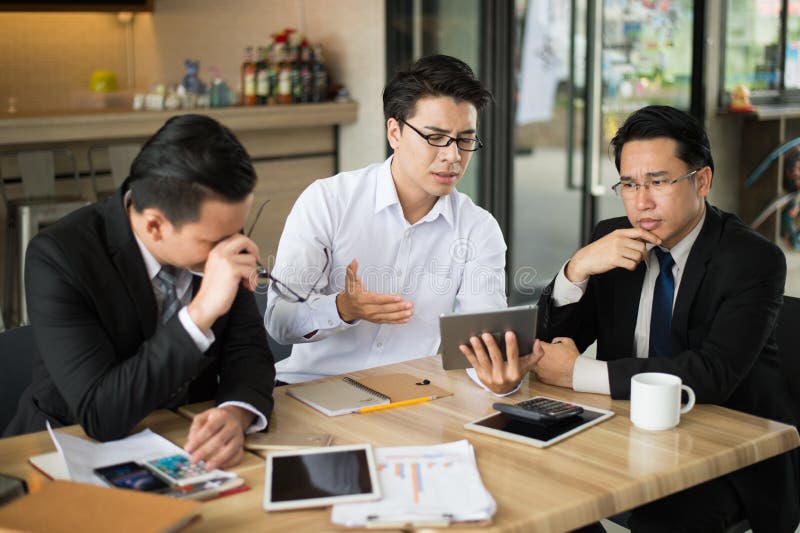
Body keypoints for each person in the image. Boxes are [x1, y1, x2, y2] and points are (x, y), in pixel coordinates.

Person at [463, 105, 799, 532]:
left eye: (658, 182)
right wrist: (575, 269)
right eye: (628, 184)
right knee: (525, 483)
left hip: (726, 453)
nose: (641, 202)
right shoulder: (614, 238)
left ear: (702, 180)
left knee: (666, 516)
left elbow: (711, 374)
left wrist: (580, 373)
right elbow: (548, 344)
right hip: (624, 433)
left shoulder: (752, 259)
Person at [5, 114, 275, 470]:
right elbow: (100, 415)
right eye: (215, 239)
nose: (233, 246)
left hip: (182, 443)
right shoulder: (60, 257)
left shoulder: (215, 238)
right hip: (65, 452)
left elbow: (250, 354)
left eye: (237, 229)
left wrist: (235, 414)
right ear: (154, 225)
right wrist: (199, 314)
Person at [265, 54, 508, 385]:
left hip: (411, 398)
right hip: (311, 388)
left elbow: (483, 350)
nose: (452, 156)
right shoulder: (328, 201)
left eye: (465, 139)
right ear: (395, 132)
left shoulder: (479, 229)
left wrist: (499, 377)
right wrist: (342, 309)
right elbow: (279, 322)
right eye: (435, 137)